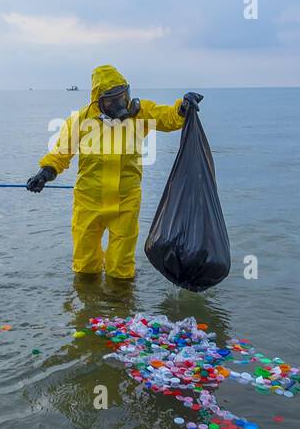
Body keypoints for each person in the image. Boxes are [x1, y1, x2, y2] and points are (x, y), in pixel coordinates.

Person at [27, 64, 202, 279]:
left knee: (121, 268)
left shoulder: (139, 114)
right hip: (88, 203)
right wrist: (44, 174)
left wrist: (183, 108)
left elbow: (168, 117)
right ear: (98, 100)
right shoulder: (80, 121)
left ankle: (121, 305)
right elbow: (61, 154)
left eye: (123, 96)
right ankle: (87, 306)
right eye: (112, 99)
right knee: (85, 266)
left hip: (125, 202)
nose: (120, 103)